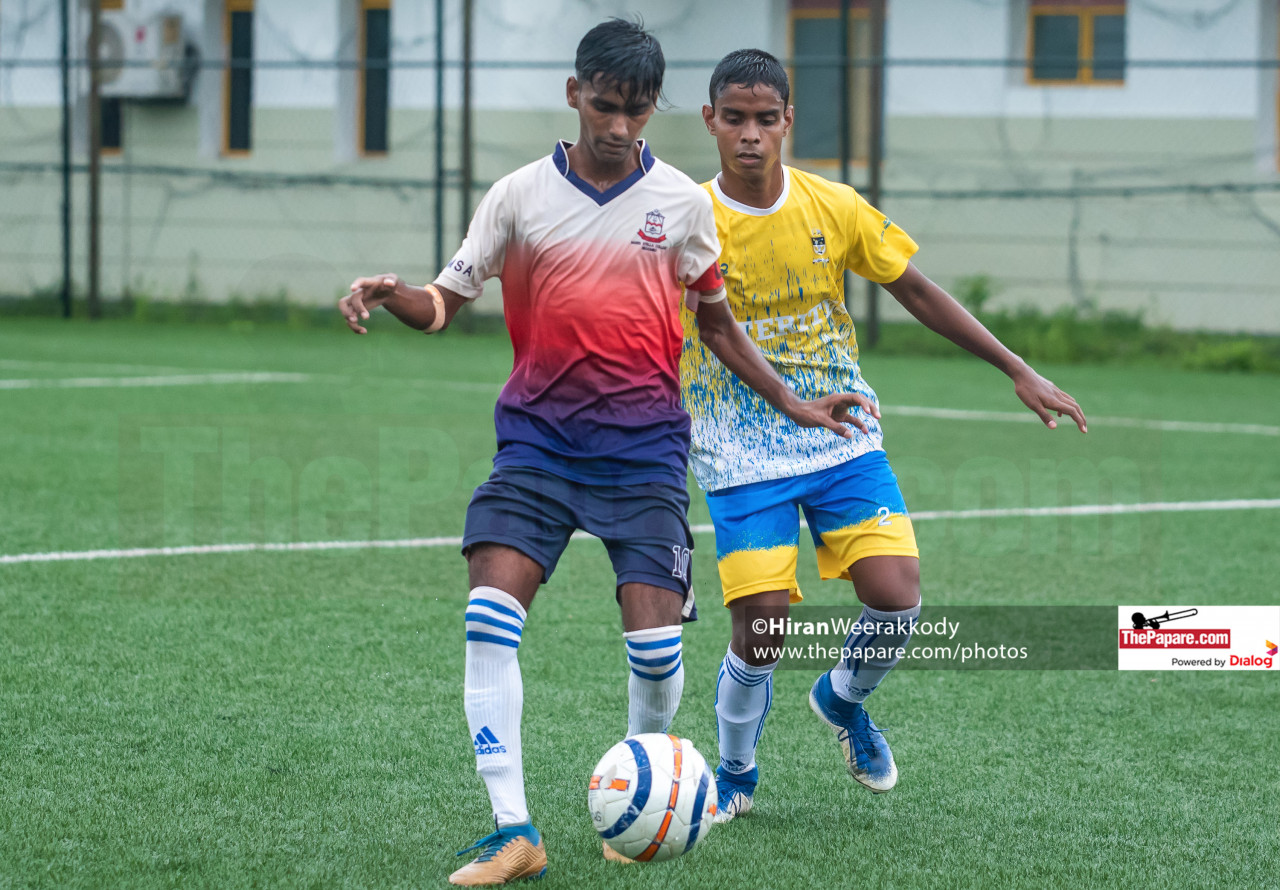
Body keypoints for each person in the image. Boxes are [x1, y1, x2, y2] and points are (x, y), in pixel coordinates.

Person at [338, 24, 871, 886]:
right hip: (537, 447)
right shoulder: (516, 196)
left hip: (647, 451)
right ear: (575, 92)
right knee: (487, 617)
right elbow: (446, 301)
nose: (618, 125)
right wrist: (397, 292)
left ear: (653, 107)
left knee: (657, 652)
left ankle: (646, 799)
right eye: (604, 105)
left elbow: (716, 324)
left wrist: (792, 400)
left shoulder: (683, 205)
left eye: (634, 109)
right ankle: (513, 831)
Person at [681, 49, 1088, 823]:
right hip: (738, 443)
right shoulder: (687, 218)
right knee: (762, 627)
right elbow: (690, 324)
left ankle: (840, 699)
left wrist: (1016, 368)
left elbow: (917, 289)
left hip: (841, 431)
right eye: (734, 118)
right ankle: (735, 773)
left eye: (767, 119)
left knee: (897, 598)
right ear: (710, 121)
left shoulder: (834, 205)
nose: (751, 135)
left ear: (788, 121)